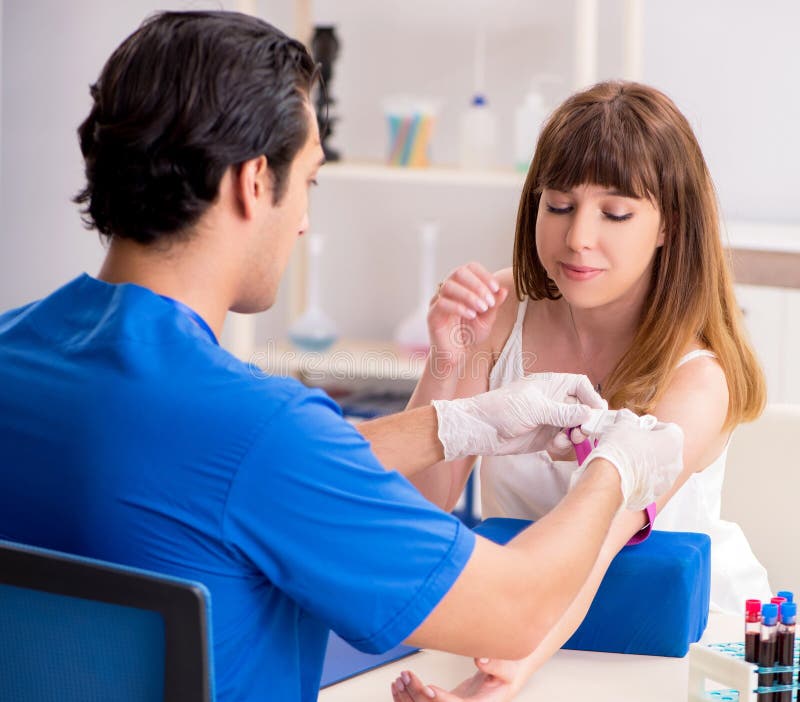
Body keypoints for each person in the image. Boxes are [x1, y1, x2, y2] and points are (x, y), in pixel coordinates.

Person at [0, 14, 684, 702]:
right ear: (253, 182)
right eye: (310, 182)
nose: (303, 220)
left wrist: (456, 423)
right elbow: (515, 611)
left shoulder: (13, 354)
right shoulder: (262, 431)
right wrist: (618, 466)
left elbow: (199, 466)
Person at [394, 80, 770, 702]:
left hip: (675, 645)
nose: (577, 239)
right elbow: (420, 508)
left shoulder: (697, 379)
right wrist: (447, 360)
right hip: (522, 617)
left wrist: (509, 669)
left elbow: (595, 540)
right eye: (559, 206)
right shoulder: (501, 309)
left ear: (667, 226)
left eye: (615, 214)